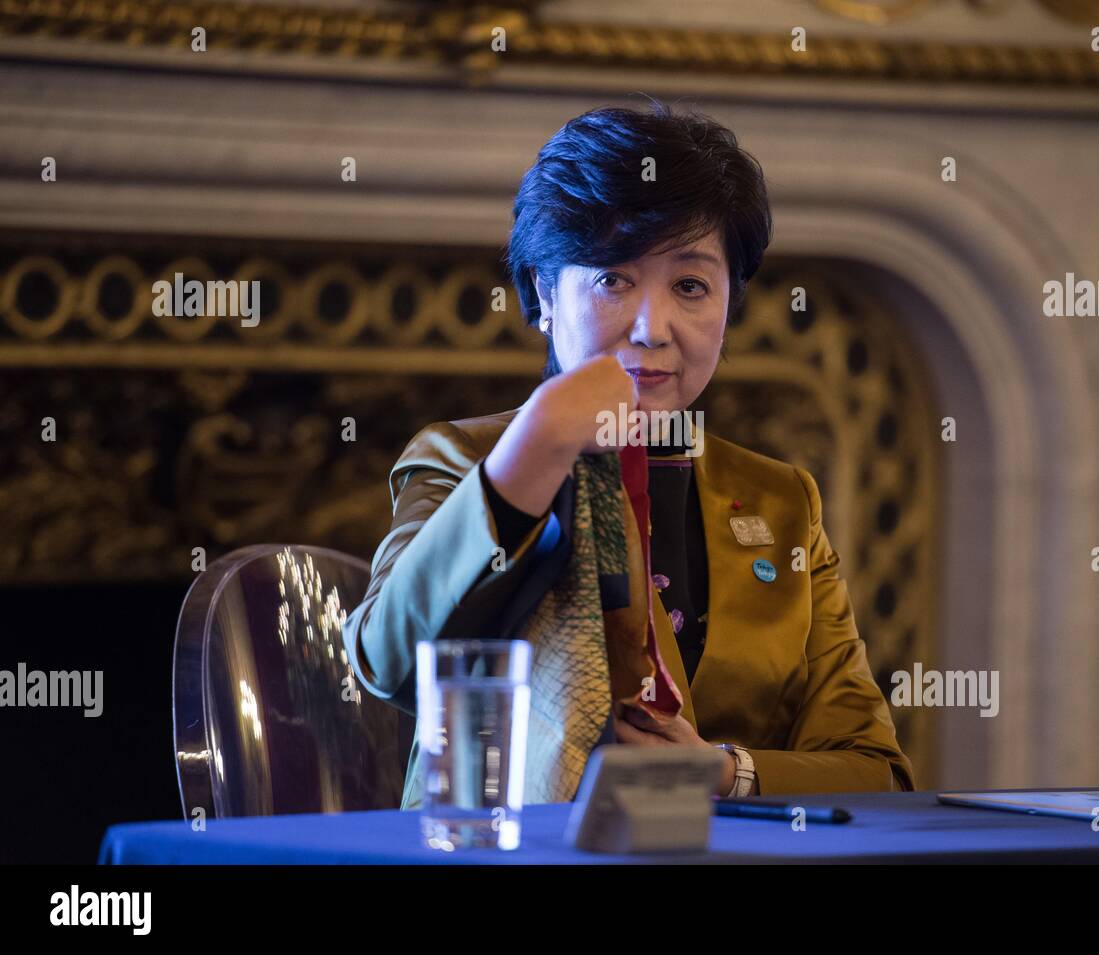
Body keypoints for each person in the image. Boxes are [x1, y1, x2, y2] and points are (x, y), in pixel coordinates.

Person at [342, 101, 914, 809]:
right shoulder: (469, 456)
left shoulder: (781, 499)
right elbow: (388, 662)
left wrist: (726, 771)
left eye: (690, 285)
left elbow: (877, 773)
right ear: (545, 292)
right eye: (613, 278)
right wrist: (542, 442)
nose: (653, 327)